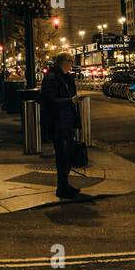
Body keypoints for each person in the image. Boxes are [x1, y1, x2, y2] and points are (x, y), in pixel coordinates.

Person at [40, 52, 83, 200]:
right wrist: (69, 101)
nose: (71, 63)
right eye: (69, 60)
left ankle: (65, 185)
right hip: (58, 122)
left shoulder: (66, 77)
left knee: (67, 155)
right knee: (62, 155)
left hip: (67, 121)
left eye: (72, 60)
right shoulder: (52, 78)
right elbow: (49, 100)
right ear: (61, 62)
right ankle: (62, 187)